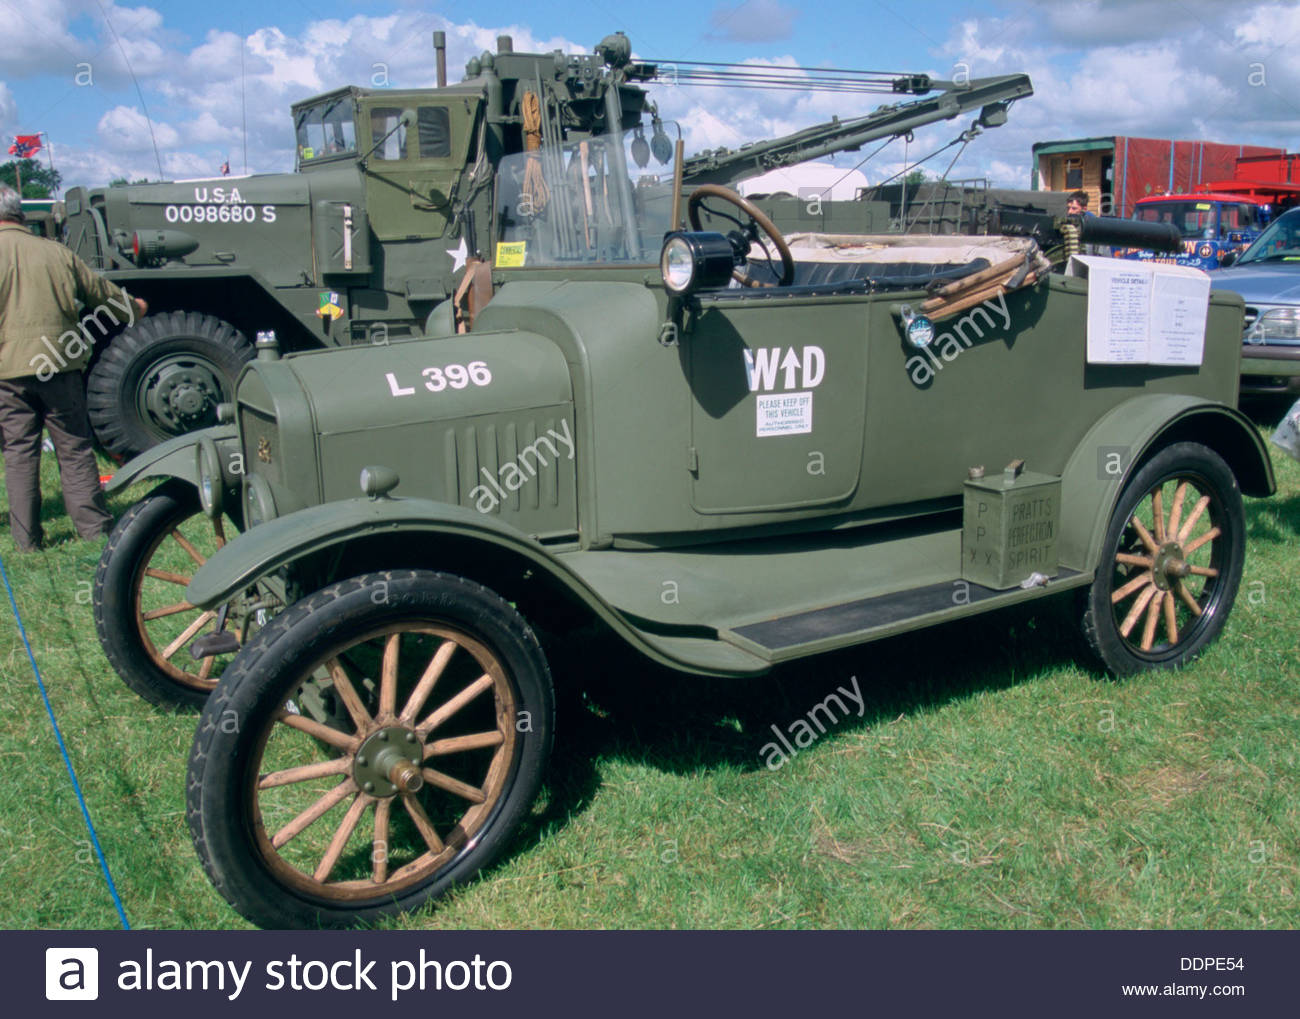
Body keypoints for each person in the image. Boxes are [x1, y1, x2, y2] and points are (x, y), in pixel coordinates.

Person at [0, 184, 147, 551]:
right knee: (74, 447)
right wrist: (136, 307)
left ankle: (26, 540)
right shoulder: (57, 252)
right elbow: (103, 294)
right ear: (20, 213)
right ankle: (93, 530)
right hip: (59, 365)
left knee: (19, 452)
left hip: (7, 370)